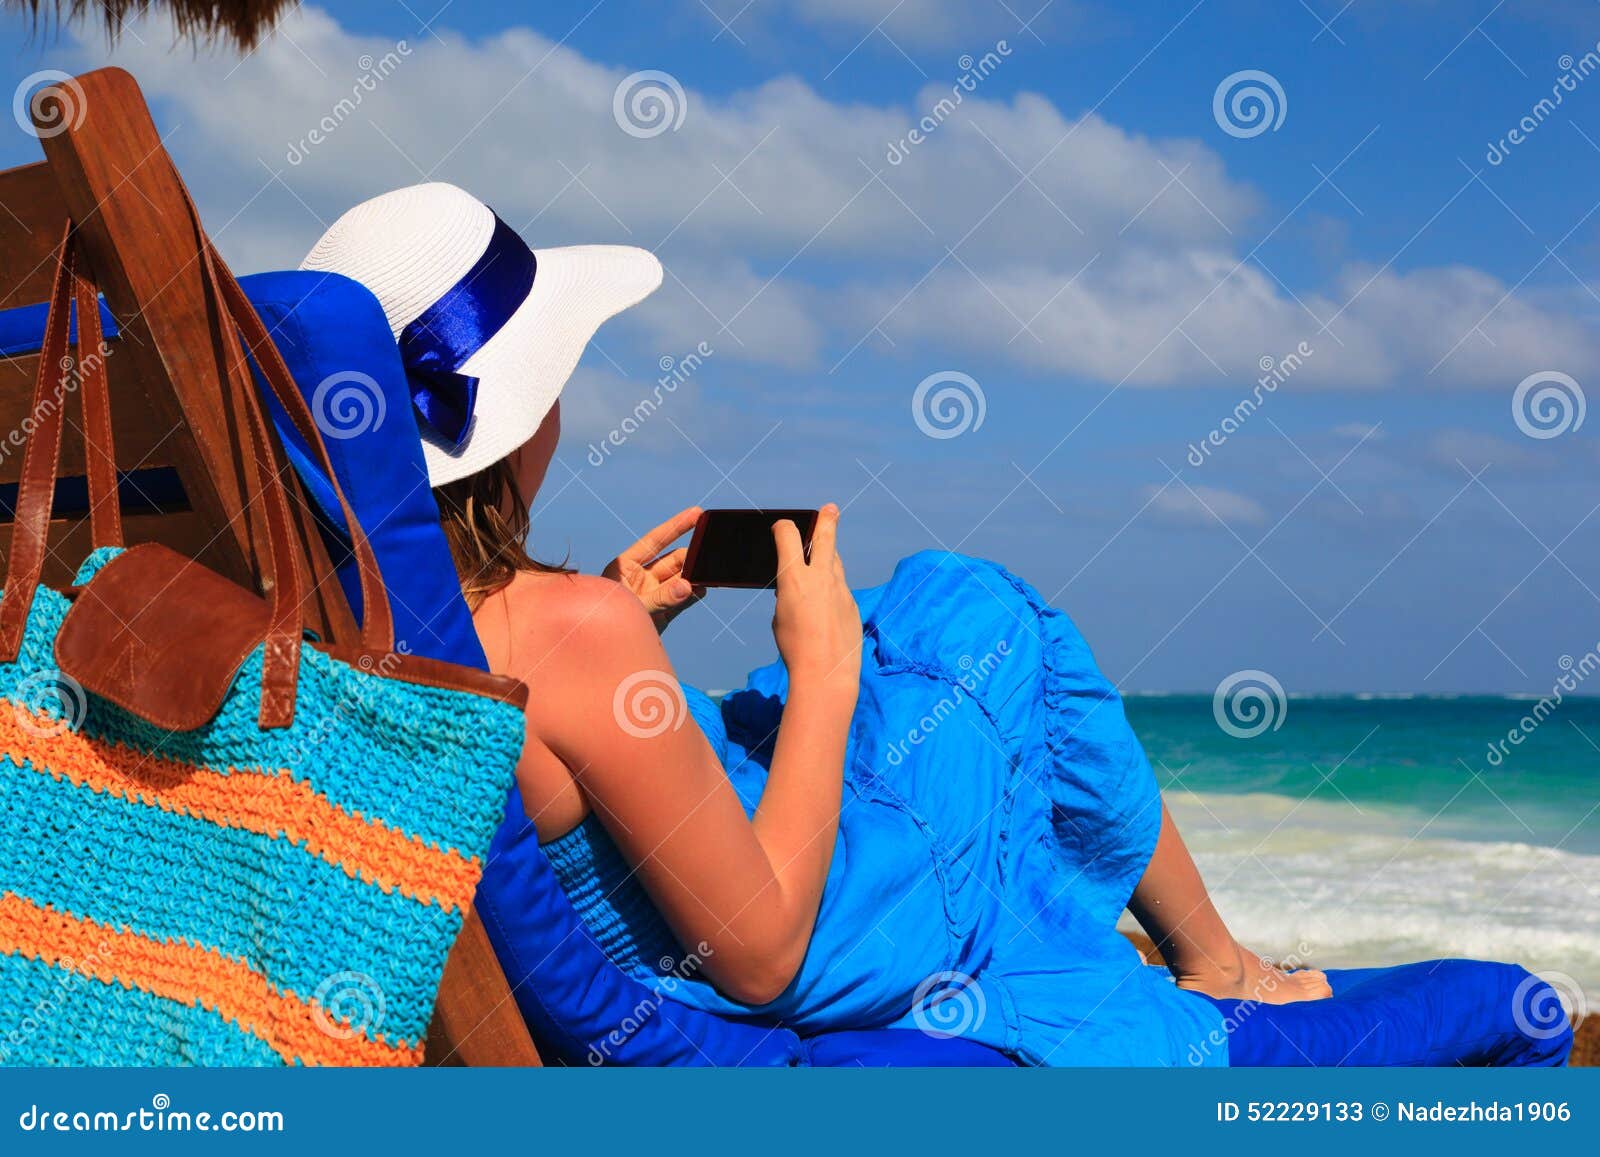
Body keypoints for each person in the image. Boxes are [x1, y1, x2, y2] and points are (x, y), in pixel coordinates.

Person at [302, 183, 1573, 1067]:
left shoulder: (353, 633)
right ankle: (1215, 959)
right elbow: (759, 955)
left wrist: (631, 641)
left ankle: (1189, 941)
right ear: (521, 419)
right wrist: (828, 673)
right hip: (840, 923)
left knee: (942, 616)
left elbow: (553, 754)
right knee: (972, 604)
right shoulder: (568, 631)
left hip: (682, 866)